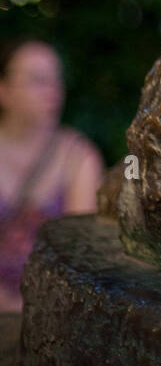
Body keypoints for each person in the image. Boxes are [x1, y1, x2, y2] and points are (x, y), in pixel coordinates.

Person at [0, 39, 103, 311]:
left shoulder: (79, 158)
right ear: (4, 90)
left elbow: (81, 259)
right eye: (38, 80)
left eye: (56, 80)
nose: (53, 91)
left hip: (52, 312)